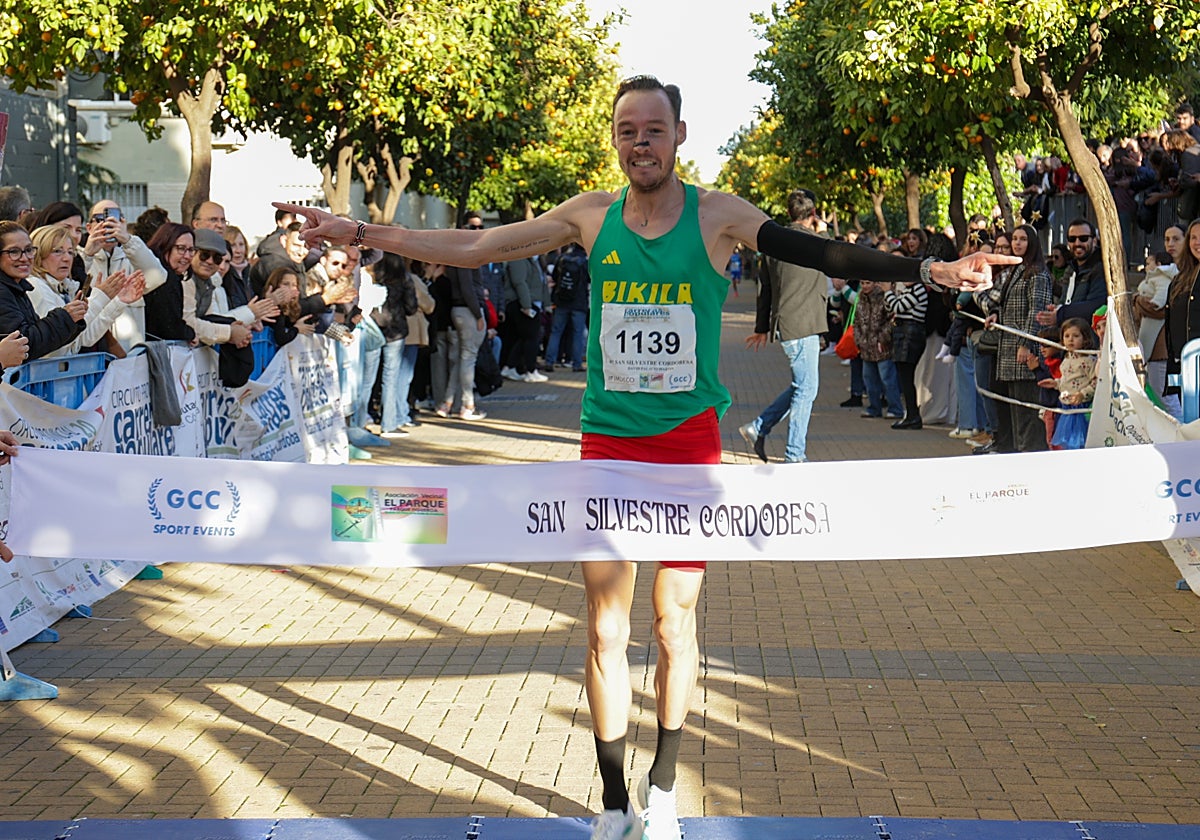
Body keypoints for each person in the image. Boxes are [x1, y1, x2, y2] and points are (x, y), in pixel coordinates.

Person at [275, 75, 1014, 840]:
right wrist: (363, 231)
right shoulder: (590, 216)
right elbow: (476, 245)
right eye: (627, 130)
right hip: (608, 443)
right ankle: (613, 800)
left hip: (689, 446)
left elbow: (818, 251)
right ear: (616, 139)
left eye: (653, 130)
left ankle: (663, 788)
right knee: (604, 630)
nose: (640, 143)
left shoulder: (718, 215)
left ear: (678, 135)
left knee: (673, 624)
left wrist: (929, 270)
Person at [738, 187, 828, 463]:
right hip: (804, 325)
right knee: (806, 389)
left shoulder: (774, 244)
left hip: (787, 325)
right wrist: (824, 232)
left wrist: (761, 327)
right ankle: (794, 454)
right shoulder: (817, 241)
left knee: (803, 386)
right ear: (813, 213)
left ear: (789, 212)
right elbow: (834, 258)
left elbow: (764, 288)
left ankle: (759, 427)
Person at [978, 224, 1053, 453]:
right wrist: (996, 315)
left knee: (1029, 414)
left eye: (1023, 239)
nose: (1017, 243)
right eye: (1015, 239)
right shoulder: (1016, 270)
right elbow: (1008, 305)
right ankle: (1019, 455)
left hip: (1025, 354)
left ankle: (1030, 457)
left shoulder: (1037, 272)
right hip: (1008, 352)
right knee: (1016, 414)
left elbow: (1037, 311)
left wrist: (1026, 344)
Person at [0, 221, 87, 360]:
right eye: (14, 252)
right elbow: (23, 345)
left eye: (29, 250)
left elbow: (41, 342)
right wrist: (66, 317)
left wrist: (72, 318)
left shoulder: (19, 287)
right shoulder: (9, 289)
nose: (24, 258)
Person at [1050, 317, 1098, 450]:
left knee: (1080, 441)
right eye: (1067, 336)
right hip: (1067, 407)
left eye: (1076, 336)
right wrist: (1056, 384)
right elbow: (1067, 381)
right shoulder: (1066, 360)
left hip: (1081, 408)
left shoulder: (1088, 361)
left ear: (1085, 338)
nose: (1070, 339)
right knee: (1068, 443)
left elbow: (1096, 382)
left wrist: (1082, 394)